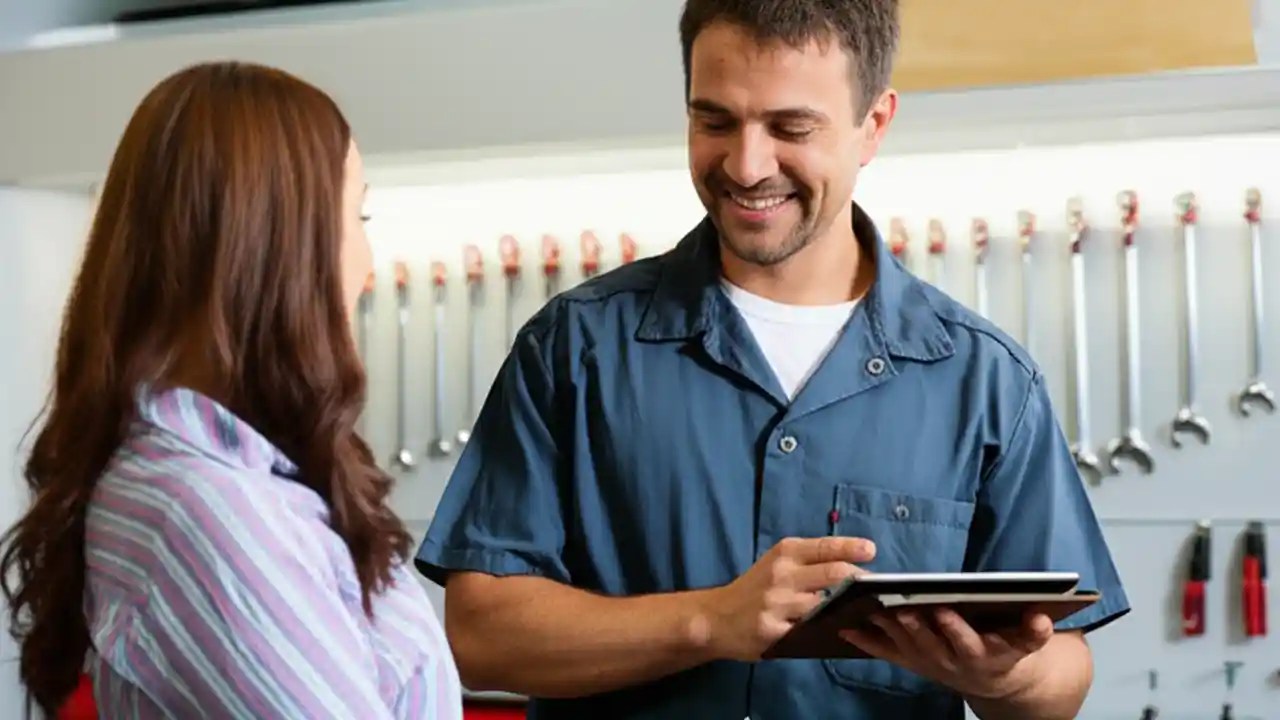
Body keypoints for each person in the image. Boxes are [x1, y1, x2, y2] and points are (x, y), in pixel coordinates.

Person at [417, 1, 1129, 718]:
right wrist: (708, 621)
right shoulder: (573, 350)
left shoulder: (987, 382)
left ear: (873, 126)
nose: (746, 166)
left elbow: (1063, 668)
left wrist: (1001, 678)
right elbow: (480, 634)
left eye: (791, 129)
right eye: (715, 121)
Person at [0, 61, 463, 720]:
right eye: (356, 217)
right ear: (279, 248)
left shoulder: (221, 477)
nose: (367, 261)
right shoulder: (210, 512)